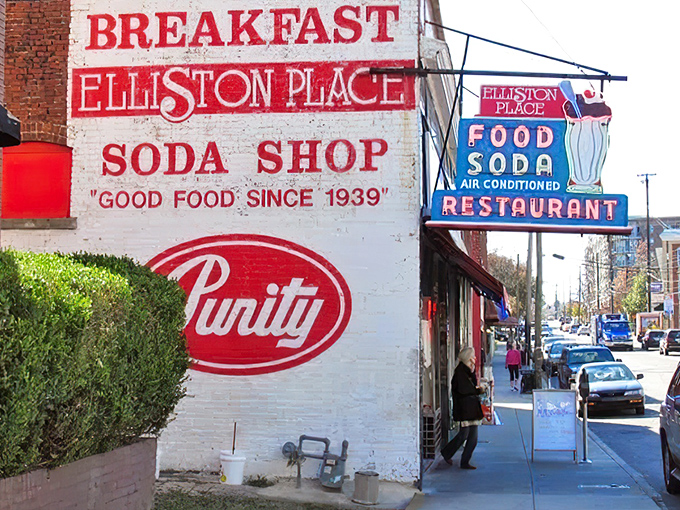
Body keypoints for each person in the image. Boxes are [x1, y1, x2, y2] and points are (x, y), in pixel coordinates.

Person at [441, 347, 485, 470]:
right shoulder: (460, 373)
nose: (475, 358)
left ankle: (458, 458)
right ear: (468, 358)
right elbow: (467, 390)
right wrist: (479, 390)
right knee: (466, 435)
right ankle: (453, 455)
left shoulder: (466, 371)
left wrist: (473, 371)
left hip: (470, 409)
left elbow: (472, 385)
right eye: (473, 356)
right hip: (466, 409)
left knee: (469, 436)